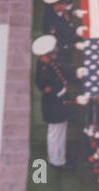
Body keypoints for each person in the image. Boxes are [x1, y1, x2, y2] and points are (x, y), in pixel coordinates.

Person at [33, 35, 73, 168]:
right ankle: (57, 160)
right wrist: (69, 97)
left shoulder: (46, 64)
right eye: (51, 54)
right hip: (54, 107)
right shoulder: (44, 71)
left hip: (55, 106)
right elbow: (54, 89)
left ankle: (60, 156)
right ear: (44, 56)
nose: (54, 55)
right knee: (56, 134)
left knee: (59, 133)